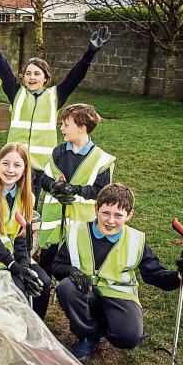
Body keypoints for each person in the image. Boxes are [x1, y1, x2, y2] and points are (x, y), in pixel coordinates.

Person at [51, 184, 183, 363]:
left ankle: (104, 326)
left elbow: (155, 275)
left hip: (119, 295)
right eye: (106, 213)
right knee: (67, 287)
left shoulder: (136, 240)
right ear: (96, 209)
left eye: (118, 215)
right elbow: (57, 267)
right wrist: (71, 271)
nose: (110, 221)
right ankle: (87, 336)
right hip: (85, 291)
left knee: (128, 338)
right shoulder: (76, 231)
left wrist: (180, 275)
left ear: (129, 215)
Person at [0, 20, 111, 171]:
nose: (31, 77)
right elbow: (4, 70)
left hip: (41, 166)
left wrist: (90, 53)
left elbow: (75, 77)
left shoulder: (55, 96)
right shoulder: (17, 93)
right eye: (28, 74)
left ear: (46, 78)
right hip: (16, 164)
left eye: (36, 74)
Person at [0, 143, 50, 321]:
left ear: (25, 169)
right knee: (18, 284)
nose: (10, 170)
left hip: (11, 257)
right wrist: (15, 267)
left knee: (43, 282)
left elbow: (21, 238)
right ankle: (2, 331)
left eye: (17, 165)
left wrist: (23, 265)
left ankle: (34, 329)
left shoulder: (27, 196)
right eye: (5, 163)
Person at [34, 103, 115, 274]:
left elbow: (101, 193)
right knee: (45, 273)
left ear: (81, 128)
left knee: (73, 274)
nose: (61, 128)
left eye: (66, 124)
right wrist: (53, 186)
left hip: (80, 229)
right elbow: (44, 178)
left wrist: (76, 190)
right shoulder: (58, 152)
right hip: (52, 228)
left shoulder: (101, 160)